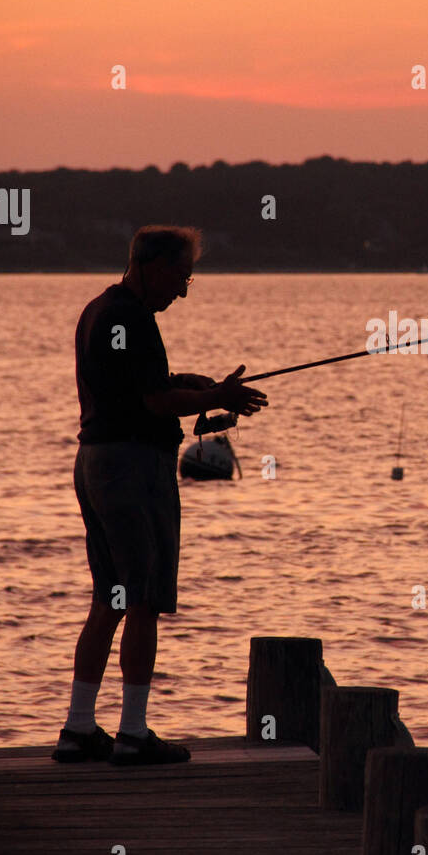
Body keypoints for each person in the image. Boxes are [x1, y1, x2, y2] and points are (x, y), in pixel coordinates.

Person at [51, 225, 268, 766]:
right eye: (180, 275)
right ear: (149, 264)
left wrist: (197, 385)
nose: (184, 289)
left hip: (95, 464)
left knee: (110, 598)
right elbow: (151, 403)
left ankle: (78, 729)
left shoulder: (102, 309)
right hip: (131, 471)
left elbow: (141, 386)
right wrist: (216, 395)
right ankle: (133, 734)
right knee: (143, 598)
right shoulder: (132, 319)